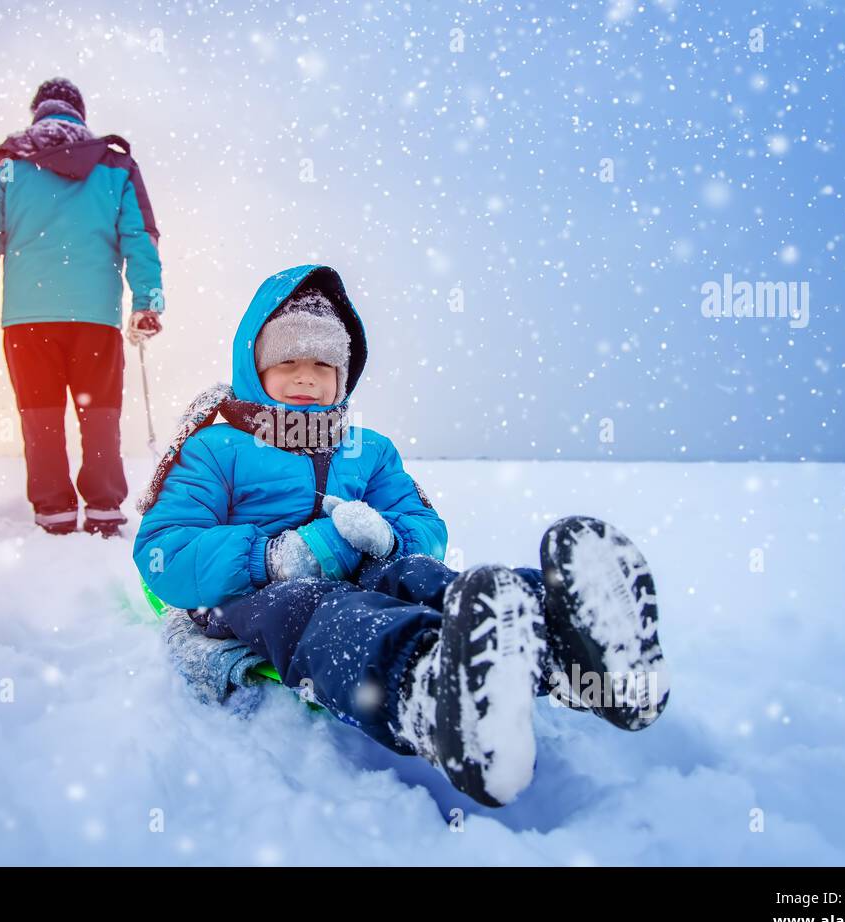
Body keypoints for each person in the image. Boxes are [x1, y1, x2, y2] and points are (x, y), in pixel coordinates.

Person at [132, 265, 669, 807]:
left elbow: (423, 524)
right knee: (318, 609)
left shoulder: (369, 450)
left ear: (344, 376)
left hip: (363, 569)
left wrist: (389, 541)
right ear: (254, 368)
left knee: (416, 575)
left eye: (323, 364)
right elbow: (163, 551)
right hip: (254, 595)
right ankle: (430, 690)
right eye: (286, 362)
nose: (305, 377)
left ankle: (569, 639)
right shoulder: (215, 450)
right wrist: (276, 557)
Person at [0, 77, 163, 536]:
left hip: (28, 321)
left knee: (40, 417)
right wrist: (147, 300)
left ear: (37, 114)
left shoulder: (7, 166)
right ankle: (105, 510)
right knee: (100, 415)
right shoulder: (115, 165)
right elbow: (140, 236)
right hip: (95, 319)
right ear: (80, 115)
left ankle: (54, 512)